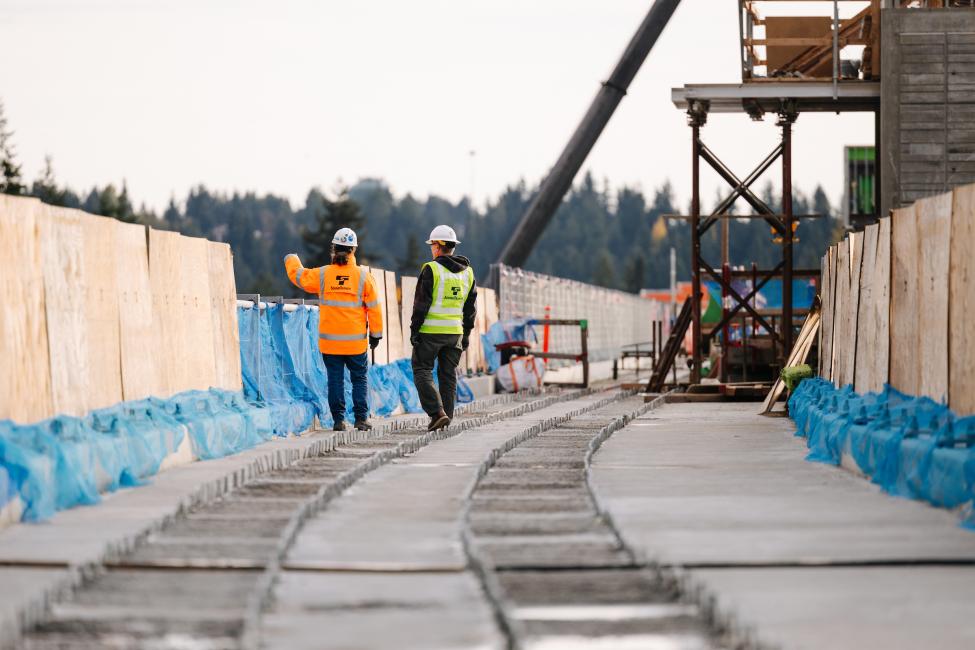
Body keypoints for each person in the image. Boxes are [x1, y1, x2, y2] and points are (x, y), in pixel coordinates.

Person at [284, 227, 383, 431]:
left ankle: (338, 421)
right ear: (353, 249)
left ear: (334, 248)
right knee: (359, 379)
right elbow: (374, 308)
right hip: (355, 343)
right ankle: (361, 419)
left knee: (335, 380)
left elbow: (299, 277)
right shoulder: (364, 277)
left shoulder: (323, 275)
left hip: (330, 343)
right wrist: (376, 334)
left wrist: (291, 259)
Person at [410, 225, 477, 431]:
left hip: (430, 332)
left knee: (422, 370)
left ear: (438, 246)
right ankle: (446, 418)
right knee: (448, 376)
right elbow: (470, 309)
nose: (432, 249)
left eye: (432, 245)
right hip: (454, 333)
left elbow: (421, 304)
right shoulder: (468, 273)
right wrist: (465, 335)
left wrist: (415, 330)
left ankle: (438, 413)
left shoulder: (431, 269)